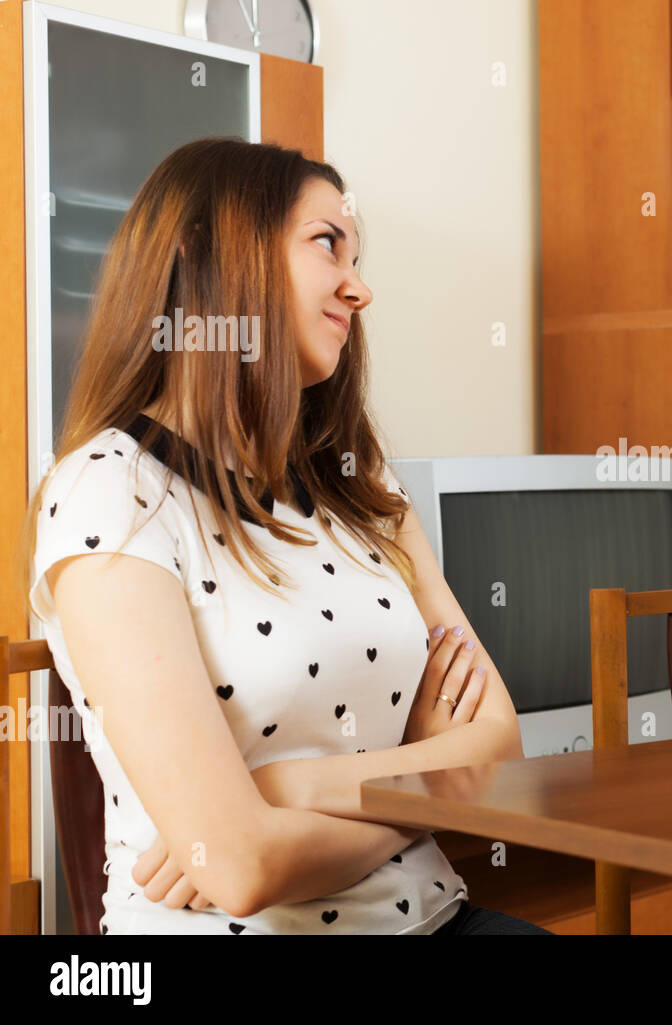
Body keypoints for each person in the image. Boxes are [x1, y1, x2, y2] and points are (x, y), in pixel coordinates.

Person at [20, 137, 549, 935]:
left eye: (358, 255)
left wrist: (281, 788)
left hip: (440, 918)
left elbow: (499, 751)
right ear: (207, 257)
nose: (359, 288)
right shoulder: (110, 493)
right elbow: (239, 867)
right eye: (327, 244)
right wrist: (432, 796)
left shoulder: (361, 482)